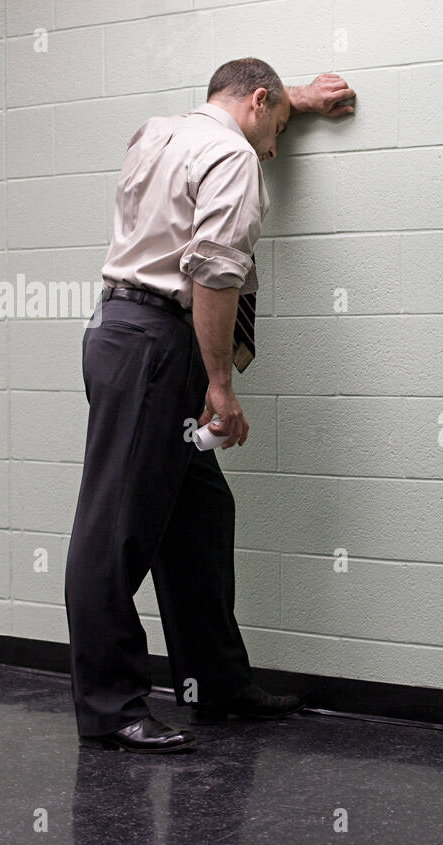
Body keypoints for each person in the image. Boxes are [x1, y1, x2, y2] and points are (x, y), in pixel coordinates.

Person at [64, 58, 356, 753]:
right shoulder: (232, 155)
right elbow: (215, 270)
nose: (275, 150)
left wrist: (299, 101)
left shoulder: (160, 132)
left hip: (126, 336)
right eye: (277, 129)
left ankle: (215, 687)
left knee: (197, 516)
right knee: (117, 529)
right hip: (160, 347)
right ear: (257, 102)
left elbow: (238, 95)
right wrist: (220, 386)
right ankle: (110, 707)